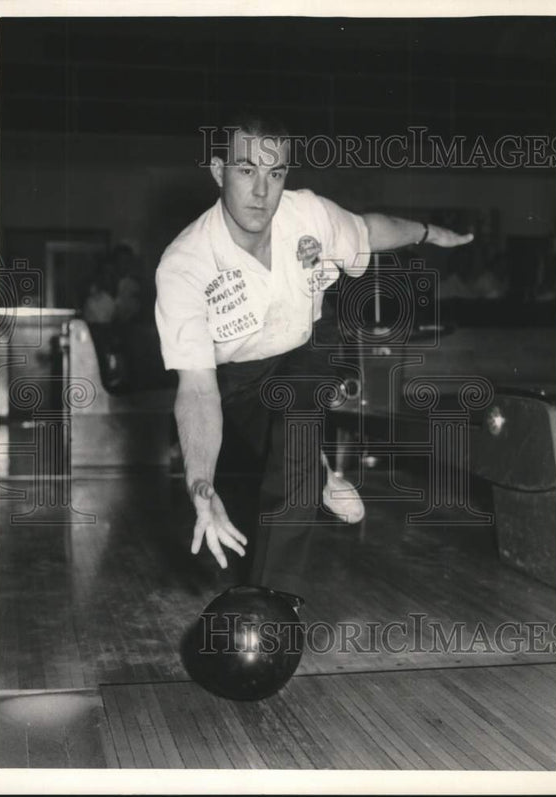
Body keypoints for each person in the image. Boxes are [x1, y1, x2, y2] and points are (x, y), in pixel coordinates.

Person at [155, 114, 473, 600]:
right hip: (235, 377)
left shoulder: (308, 216)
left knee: (297, 442)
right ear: (218, 172)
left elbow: (371, 229)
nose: (262, 191)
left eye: (275, 173)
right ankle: (319, 470)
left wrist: (428, 232)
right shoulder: (185, 265)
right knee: (291, 452)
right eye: (246, 171)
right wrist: (201, 486)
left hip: (305, 347)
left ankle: (274, 606)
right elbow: (197, 388)